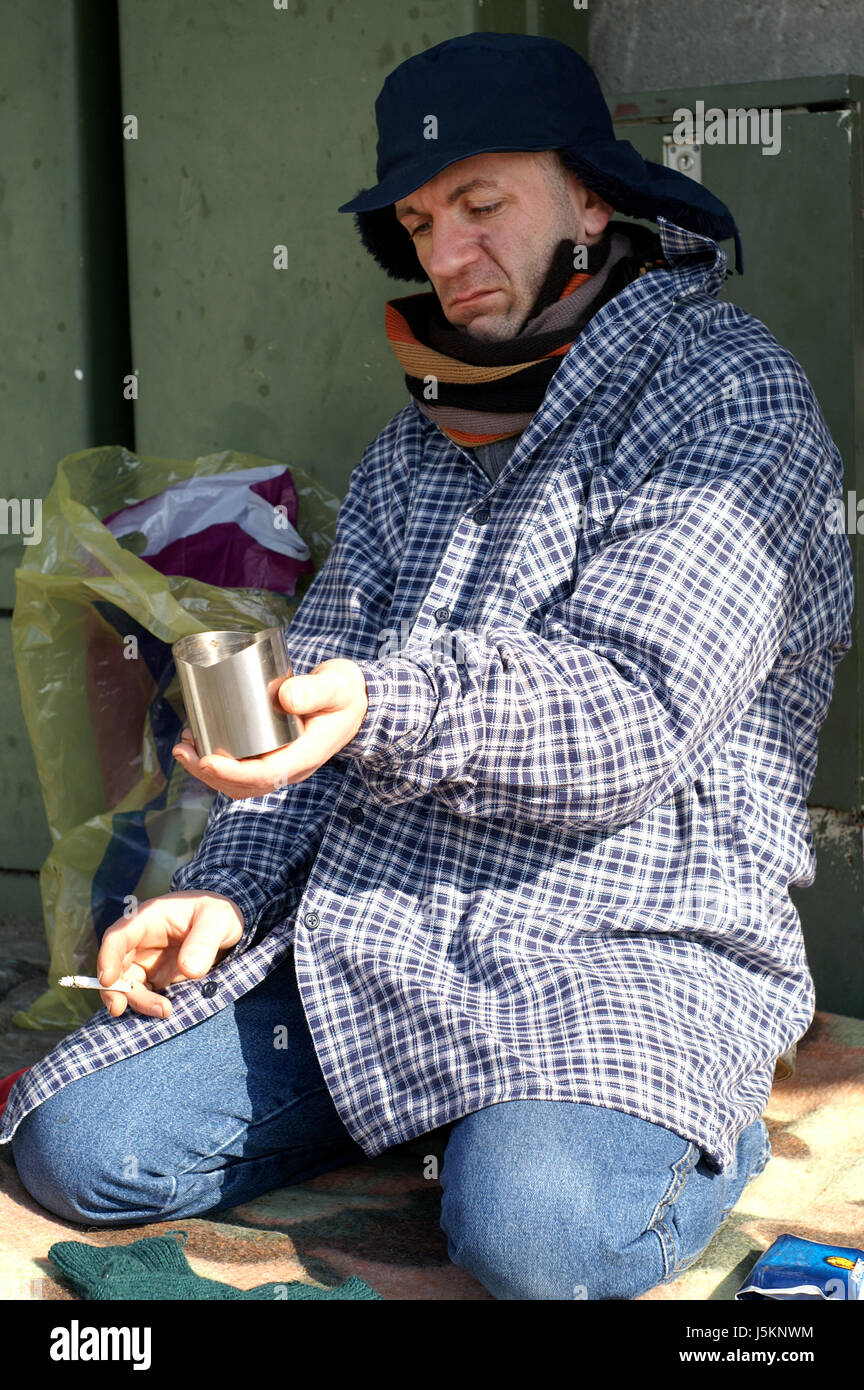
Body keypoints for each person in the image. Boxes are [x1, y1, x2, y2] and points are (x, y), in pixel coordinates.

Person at [3, 33, 854, 1301]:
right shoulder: (420, 444)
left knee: (539, 1234)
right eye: (417, 218)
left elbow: (631, 709)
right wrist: (228, 893)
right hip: (384, 941)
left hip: (627, 947)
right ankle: (443, 1108)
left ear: (593, 197)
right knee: (82, 1147)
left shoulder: (730, 404)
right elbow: (314, 699)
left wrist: (388, 705)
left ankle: (668, 1117)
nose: (445, 256)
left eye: (481, 204)